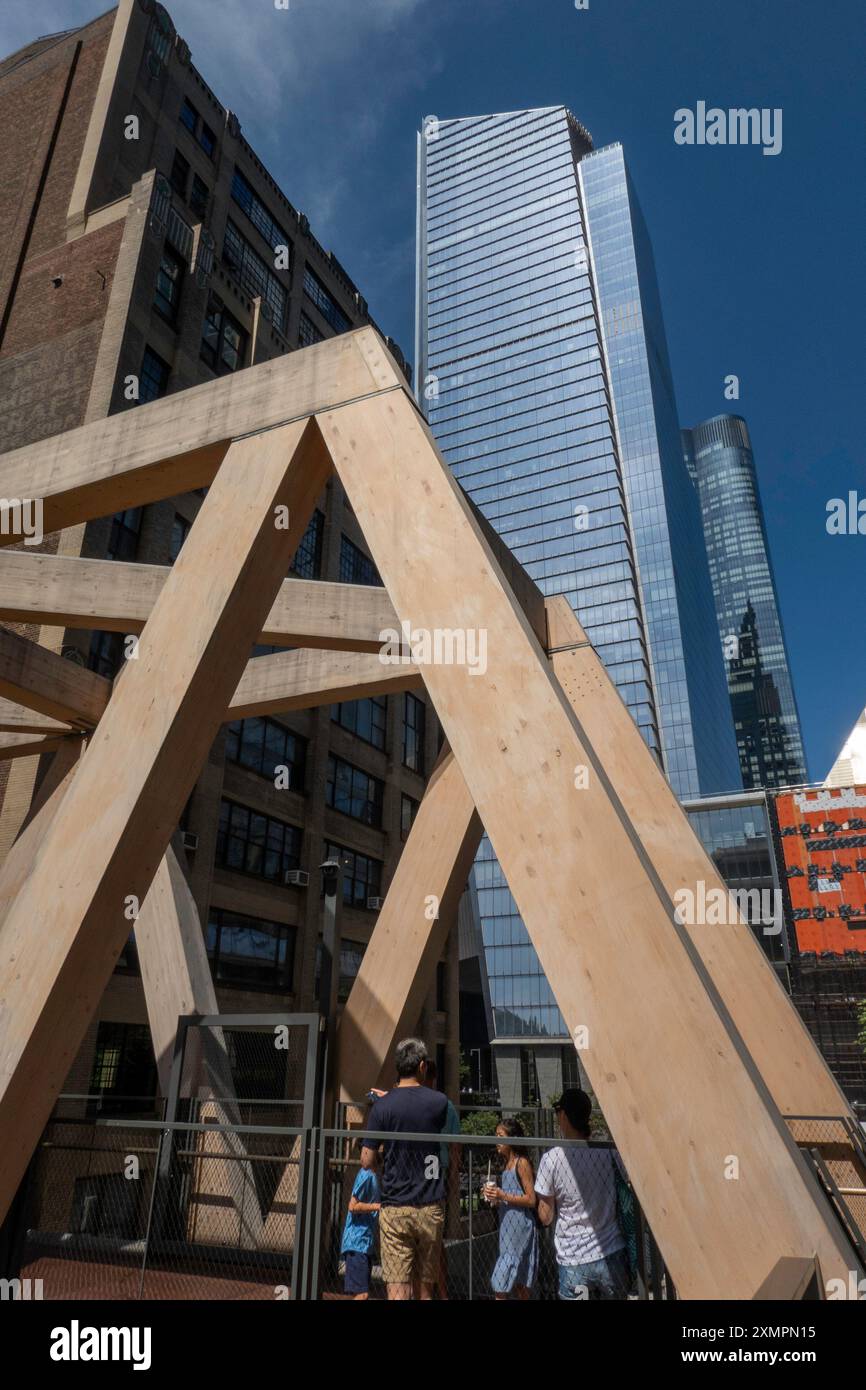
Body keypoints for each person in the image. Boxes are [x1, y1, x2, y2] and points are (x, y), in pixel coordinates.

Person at [360, 1037, 448, 1300]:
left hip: (395, 1204)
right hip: (430, 1204)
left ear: (398, 1066)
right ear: (422, 1066)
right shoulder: (439, 1102)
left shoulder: (382, 1106)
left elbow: (366, 1160)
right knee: (425, 1291)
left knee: (398, 1290)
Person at [534, 1088, 631, 1300]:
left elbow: (546, 1217)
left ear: (563, 1115)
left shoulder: (552, 1159)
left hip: (573, 1257)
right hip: (611, 1249)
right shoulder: (608, 1152)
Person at [486, 1117, 538, 1300]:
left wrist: (503, 1195)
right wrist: (495, 1198)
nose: (497, 1141)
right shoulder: (506, 1164)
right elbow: (508, 1198)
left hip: (520, 1226)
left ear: (512, 1138)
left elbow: (531, 1199)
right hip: (507, 1226)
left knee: (505, 1281)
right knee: (518, 1282)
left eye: (500, 1136)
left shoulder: (521, 1163)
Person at [340, 1150, 381, 1300]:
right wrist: (378, 1206)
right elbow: (353, 1206)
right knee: (362, 1294)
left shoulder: (374, 1175)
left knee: (361, 1292)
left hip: (365, 1243)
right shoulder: (366, 1174)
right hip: (357, 1242)